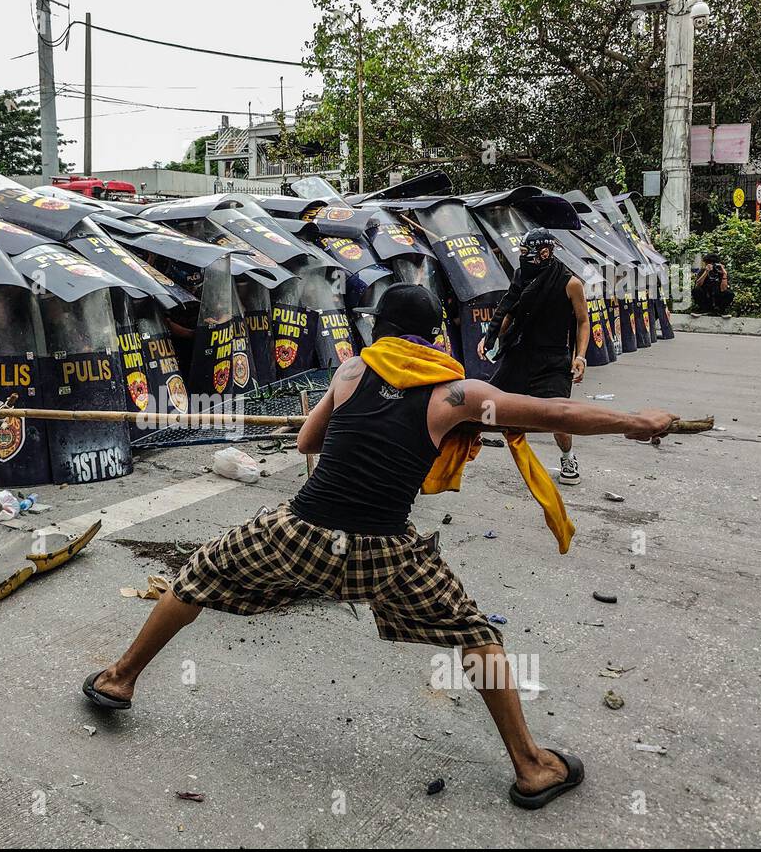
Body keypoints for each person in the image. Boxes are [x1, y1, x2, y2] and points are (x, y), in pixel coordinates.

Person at [83, 283, 678, 810]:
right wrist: (633, 421)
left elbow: (306, 443)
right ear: (435, 336)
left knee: (197, 577)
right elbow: (555, 410)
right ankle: (531, 766)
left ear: (379, 331)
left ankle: (119, 679)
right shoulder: (458, 395)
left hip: (300, 534)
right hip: (387, 556)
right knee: (476, 637)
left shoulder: (349, 373)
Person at [477, 228, 589, 485]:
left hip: (553, 359)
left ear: (545, 253)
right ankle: (465, 443)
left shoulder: (570, 283)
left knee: (559, 417)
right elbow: (508, 309)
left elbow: (583, 322)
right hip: (522, 351)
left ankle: (568, 456)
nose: (522, 257)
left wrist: (580, 357)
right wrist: (491, 338)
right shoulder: (522, 275)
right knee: (487, 403)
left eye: (527, 253)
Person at [692, 253, 733, 317]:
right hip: (706, 297)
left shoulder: (721, 272)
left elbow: (724, 289)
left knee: (729, 293)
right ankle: (703, 309)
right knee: (696, 290)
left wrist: (724, 274)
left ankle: (721, 310)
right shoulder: (703, 271)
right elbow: (698, 285)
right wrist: (706, 272)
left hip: (718, 297)